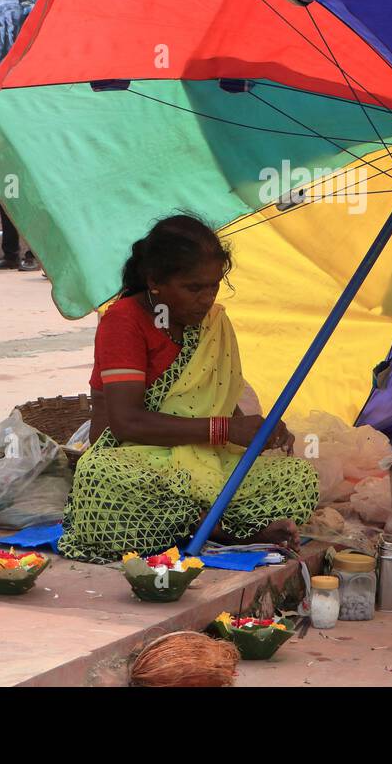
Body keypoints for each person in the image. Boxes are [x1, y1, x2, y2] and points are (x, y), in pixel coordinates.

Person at [58, 215, 318, 563]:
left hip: (206, 457)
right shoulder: (124, 321)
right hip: (134, 458)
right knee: (101, 478)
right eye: (193, 288)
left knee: (298, 478)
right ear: (155, 282)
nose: (206, 299)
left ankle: (203, 524)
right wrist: (226, 430)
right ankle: (219, 528)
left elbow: (219, 398)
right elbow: (126, 424)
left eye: (213, 286)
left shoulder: (213, 323)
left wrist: (257, 431)